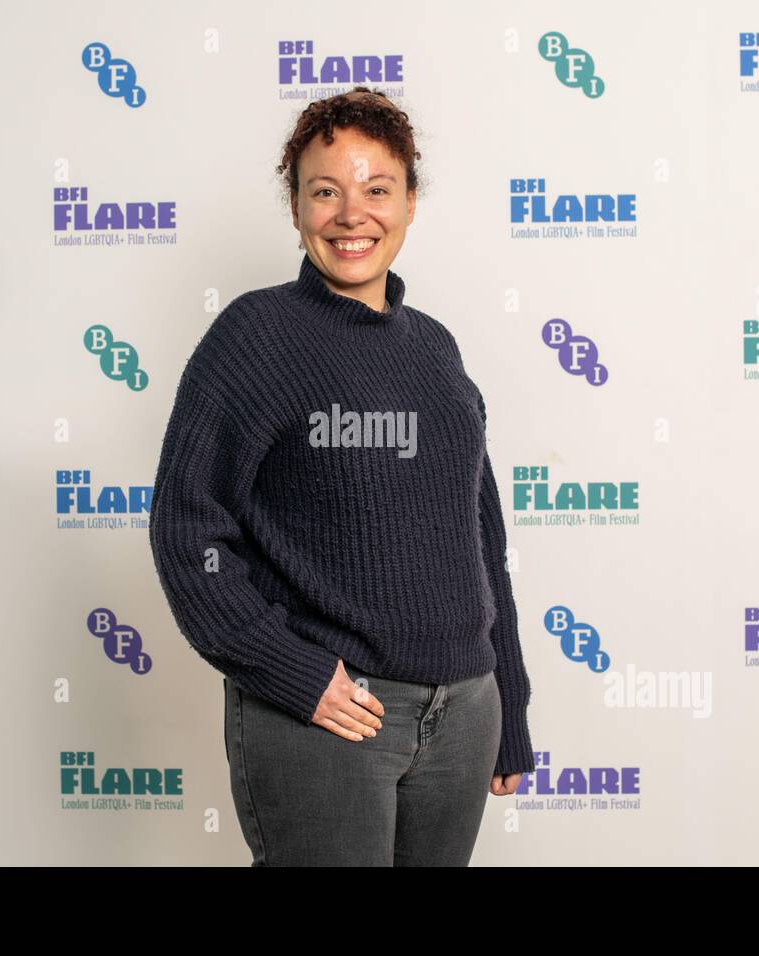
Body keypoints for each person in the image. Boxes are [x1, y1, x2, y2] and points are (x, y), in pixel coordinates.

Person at [148, 87, 535, 866]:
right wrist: (290, 669)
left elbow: (480, 536)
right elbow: (188, 531)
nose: (352, 214)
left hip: (464, 715)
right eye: (326, 191)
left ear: (411, 203)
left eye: (377, 190)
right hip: (330, 717)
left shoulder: (435, 348)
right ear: (296, 209)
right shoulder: (256, 337)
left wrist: (510, 704)